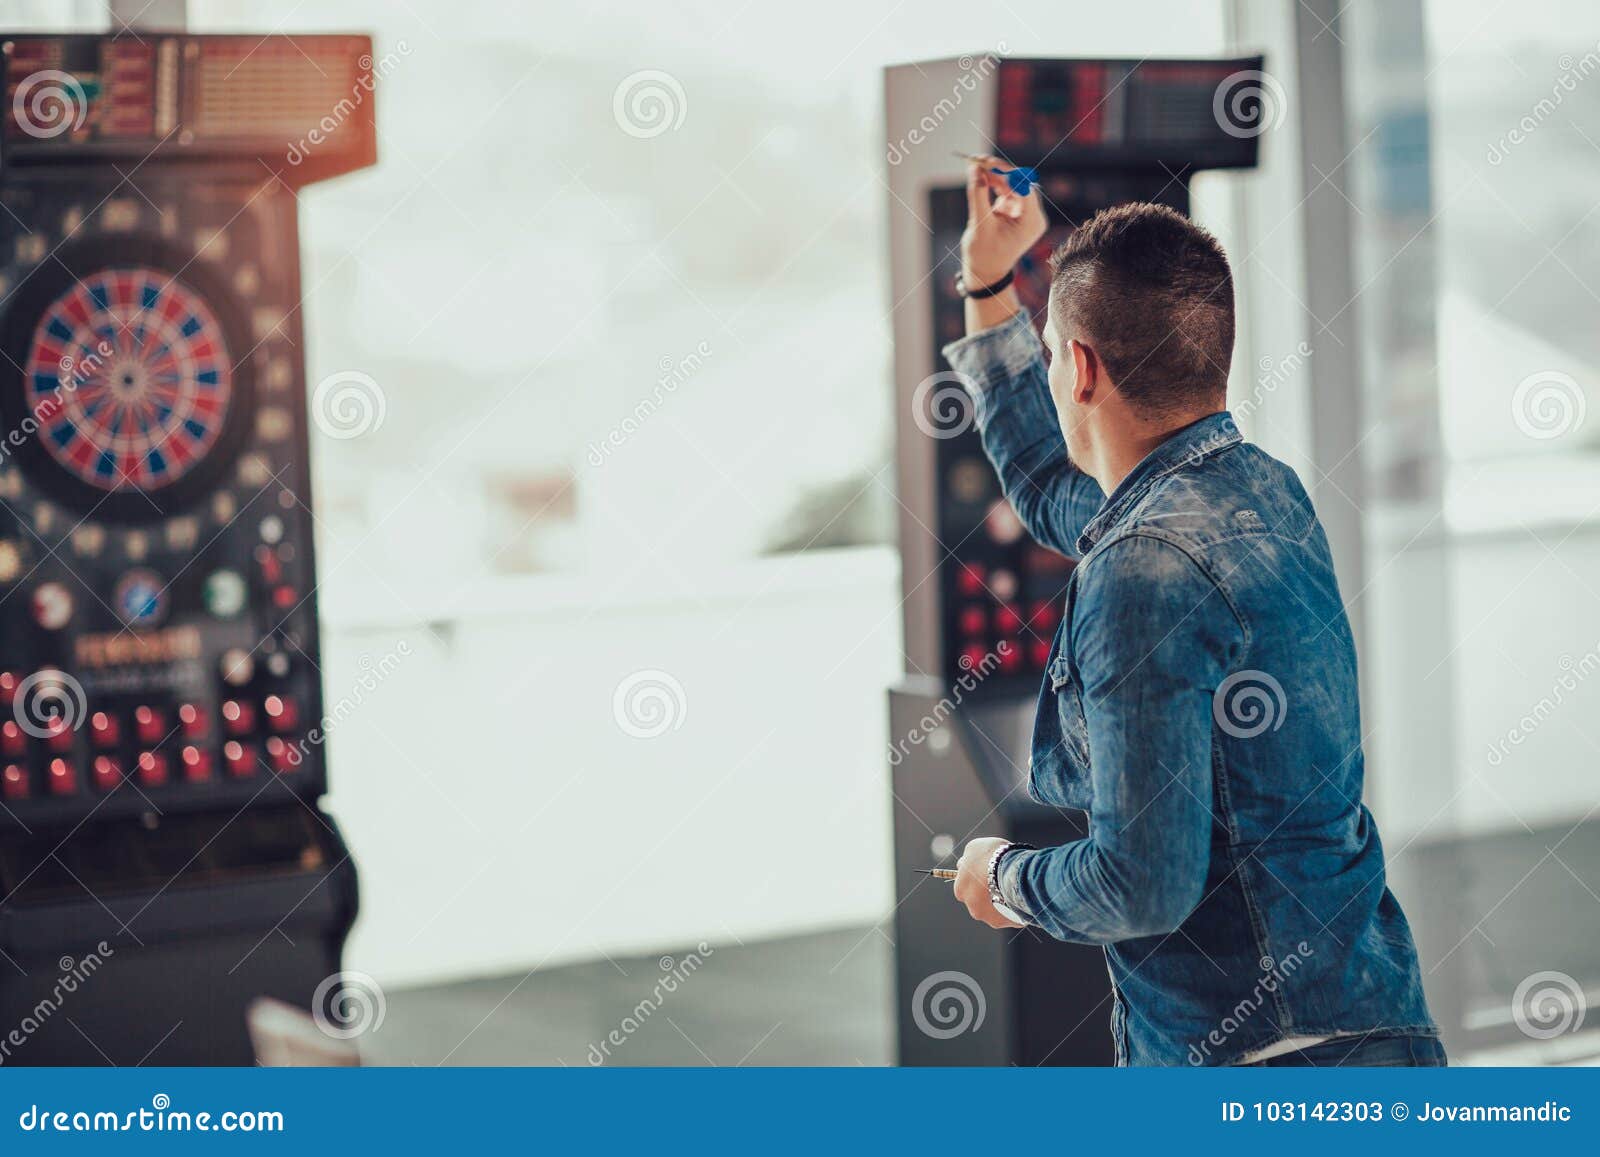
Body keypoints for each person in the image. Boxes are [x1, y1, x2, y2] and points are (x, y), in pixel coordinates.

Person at [944, 157, 1442, 1067]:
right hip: (1377, 1030)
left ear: (1082, 369)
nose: (1051, 371)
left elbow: (1140, 884)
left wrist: (1005, 879)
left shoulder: (1139, 568)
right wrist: (988, 284)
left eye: (1052, 353)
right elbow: (1051, 482)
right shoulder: (1263, 495)